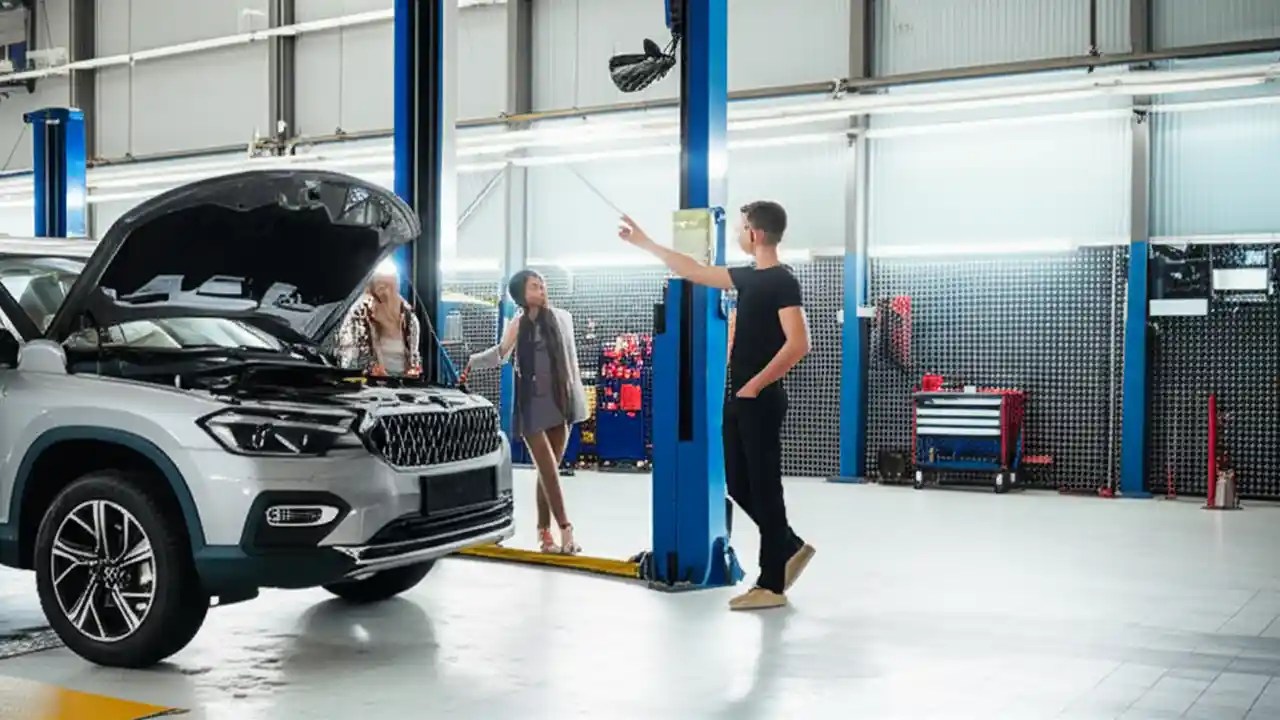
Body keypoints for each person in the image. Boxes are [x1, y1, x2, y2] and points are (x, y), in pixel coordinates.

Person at [618, 201, 816, 611]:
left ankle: (772, 583)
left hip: (759, 398)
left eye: (743, 228)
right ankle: (789, 544)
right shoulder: (747, 278)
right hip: (741, 397)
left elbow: (799, 343)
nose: (740, 235)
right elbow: (692, 269)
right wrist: (646, 243)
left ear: (756, 234)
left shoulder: (782, 281)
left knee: (764, 486)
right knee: (738, 484)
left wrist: (756, 384)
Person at [466, 269, 589, 555]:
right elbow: (501, 353)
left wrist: (575, 401)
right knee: (547, 469)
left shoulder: (562, 318)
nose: (542, 289)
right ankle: (566, 530)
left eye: (543, 285)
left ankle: (544, 534)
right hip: (531, 405)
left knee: (549, 473)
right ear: (523, 294)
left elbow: (571, 364)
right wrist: (472, 362)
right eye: (535, 286)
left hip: (560, 401)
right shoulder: (518, 324)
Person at [335, 259, 423, 378]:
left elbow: (414, 355)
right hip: (371, 388)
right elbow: (348, 358)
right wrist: (371, 370)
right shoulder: (359, 314)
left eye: (390, 285)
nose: (386, 291)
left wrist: (413, 370)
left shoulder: (408, 317)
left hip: (403, 388)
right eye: (382, 284)